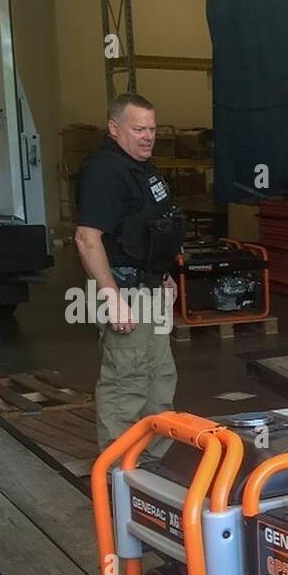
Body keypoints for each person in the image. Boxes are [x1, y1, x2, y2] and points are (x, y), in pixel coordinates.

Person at [74, 92, 187, 448]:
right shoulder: (105, 171)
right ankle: (118, 475)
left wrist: (162, 273)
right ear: (114, 128)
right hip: (125, 292)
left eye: (151, 129)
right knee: (127, 385)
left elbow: (149, 229)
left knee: (159, 379)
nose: (148, 136)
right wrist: (113, 298)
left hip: (150, 288)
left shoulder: (143, 169)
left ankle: (155, 465)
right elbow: (86, 239)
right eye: (138, 129)